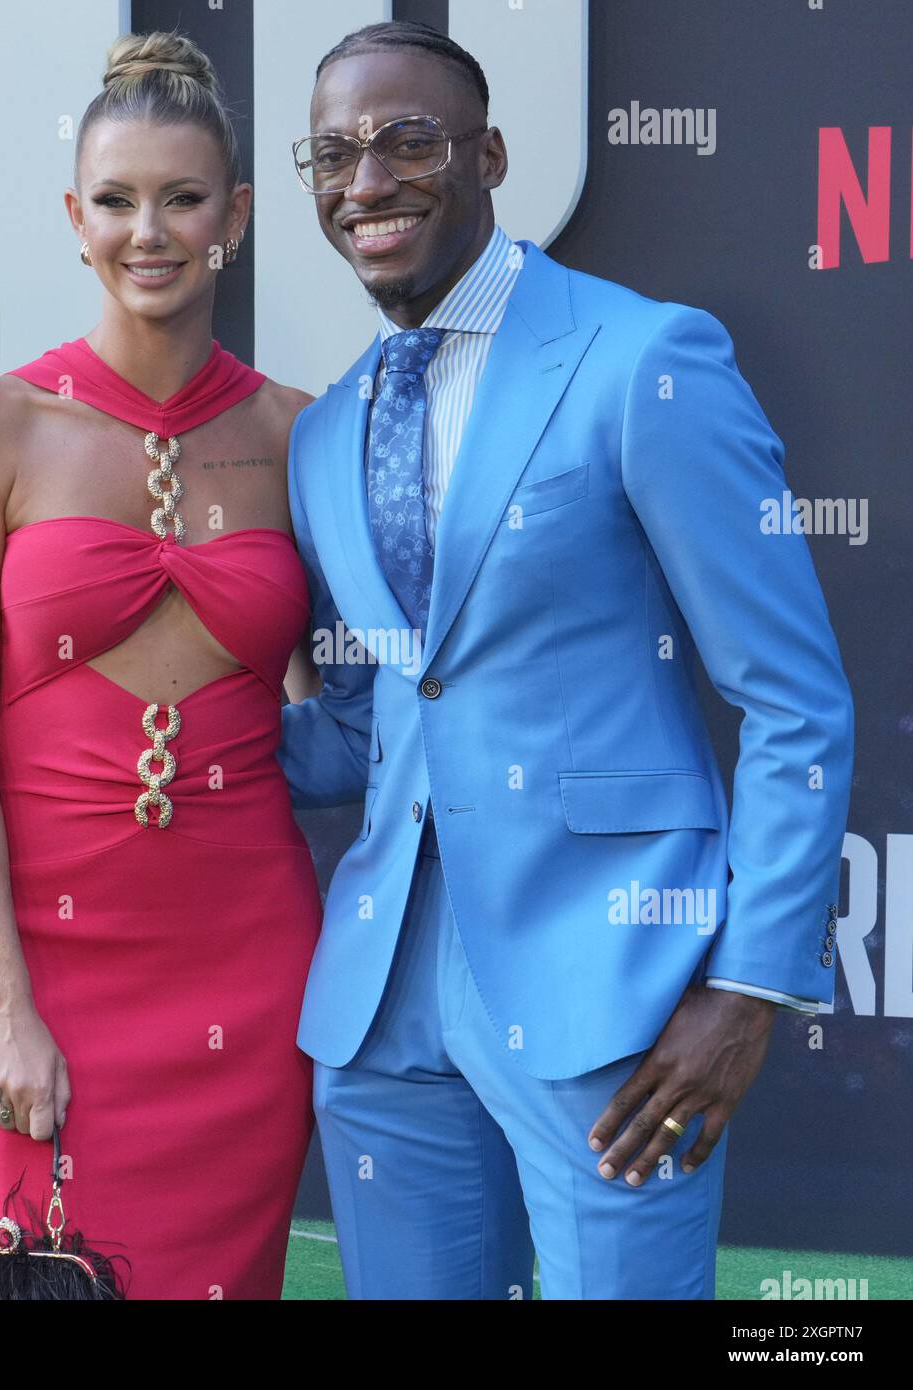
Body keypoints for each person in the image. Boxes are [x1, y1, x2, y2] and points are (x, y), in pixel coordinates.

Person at [276, 20, 854, 1299]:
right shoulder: (320, 436)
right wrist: (142, 732)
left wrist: (747, 987)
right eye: (331, 155)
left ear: (486, 155)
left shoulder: (641, 360)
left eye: (404, 141)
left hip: (610, 991)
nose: (363, 181)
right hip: (379, 1002)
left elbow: (794, 702)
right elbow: (378, 719)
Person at [0, 29, 322, 1300]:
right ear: (73, 217)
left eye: (183, 198)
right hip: (45, 968)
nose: (149, 231)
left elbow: (329, 705)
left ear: (235, 216)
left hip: (249, 973)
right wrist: (5, 999)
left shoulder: (300, 437)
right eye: (116, 200)